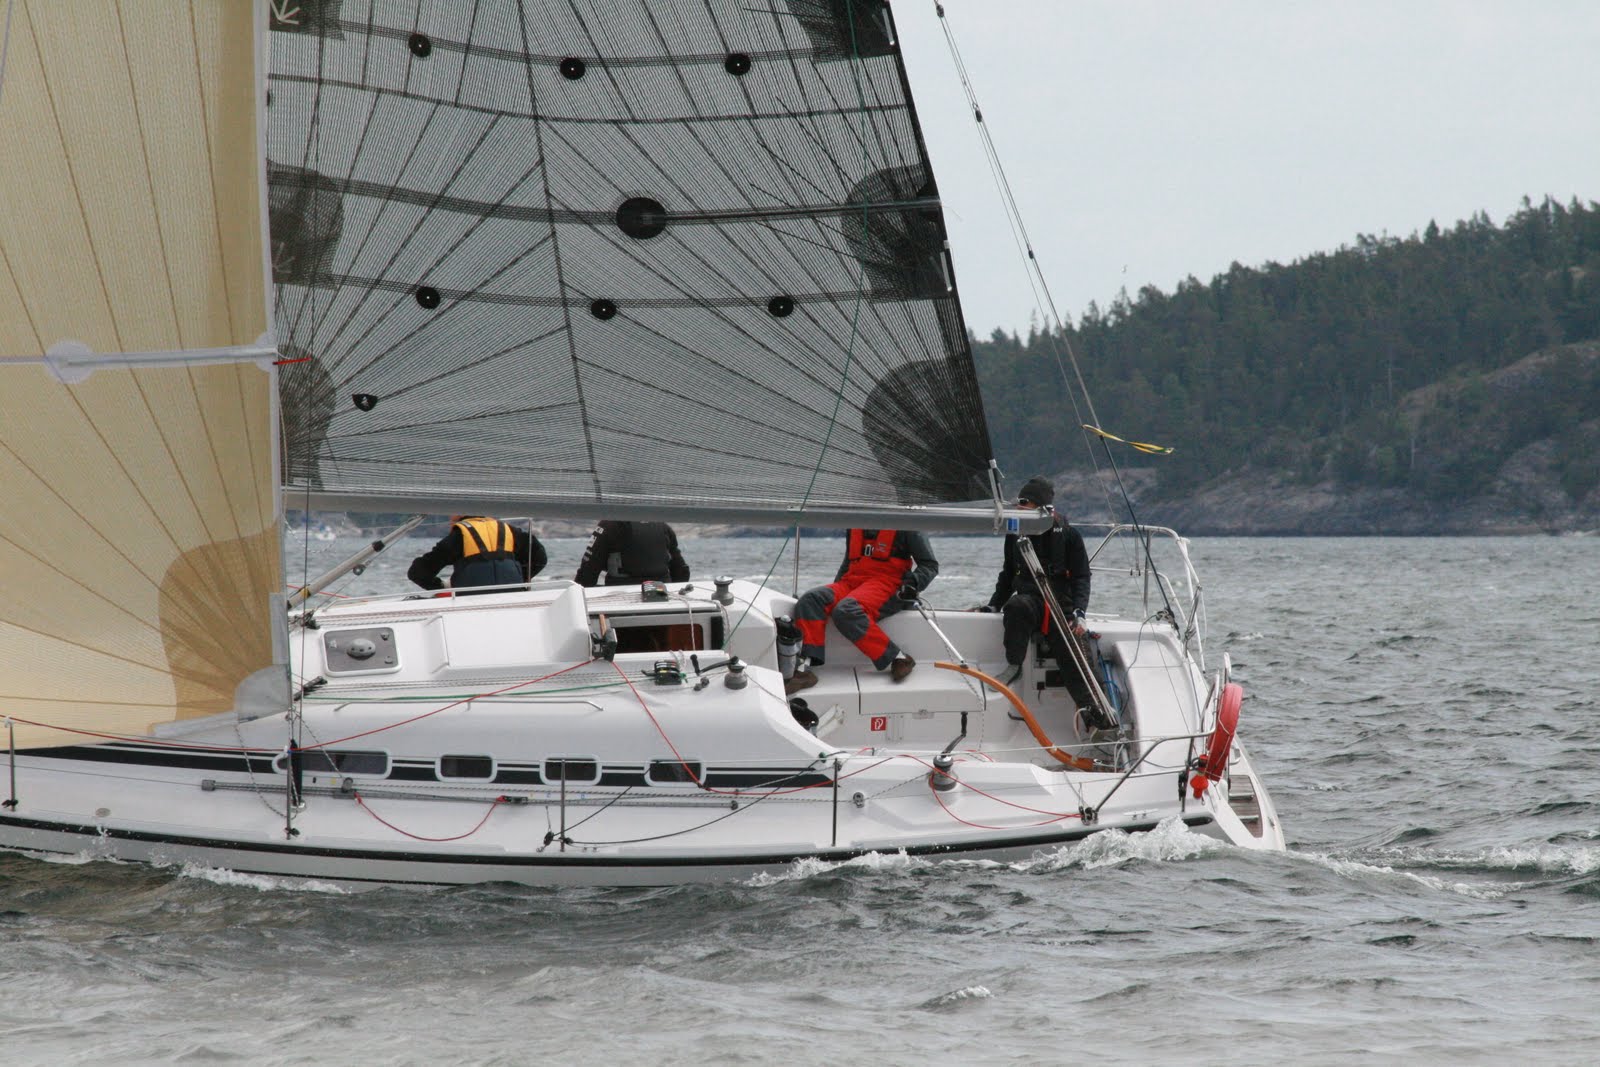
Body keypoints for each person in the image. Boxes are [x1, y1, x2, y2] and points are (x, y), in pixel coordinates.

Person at [983, 477, 1095, 708]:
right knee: (1015, 606)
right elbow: (1008, 573)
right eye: (1018, 502)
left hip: (1060, 605)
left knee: (1074, 653)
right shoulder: (1014, 534)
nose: (1018, 506)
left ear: (1040, 506)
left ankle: (1093, 714)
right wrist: (993, 604)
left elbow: (1082, 577)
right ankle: (1014, 666)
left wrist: (1079, 612)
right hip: (1029, 600)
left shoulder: (1069, 535)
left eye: (1024, 502)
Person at [787, 528, 937, 693]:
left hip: (888, 583)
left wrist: (913, 584)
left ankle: (899, 658)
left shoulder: (904, 523)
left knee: (846, 610)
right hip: (851, 582)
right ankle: (804, 671)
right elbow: (848, 563)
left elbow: (929, 565)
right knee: (809, 600)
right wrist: (834, 592)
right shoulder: (856, 523)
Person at [408, 515, 547, 593]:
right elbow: (540, 558)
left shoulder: (459, 536)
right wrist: (519, 578)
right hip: (512, 594)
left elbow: (417, 572)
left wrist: (441, 587)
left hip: (471, 598)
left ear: (456, 519)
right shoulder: (508, 530)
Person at [574, 520, 690, 587]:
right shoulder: (662, 526)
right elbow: (682, 572)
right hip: (662, 595)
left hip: (620, 594)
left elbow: (587, 574)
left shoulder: (609, 525)